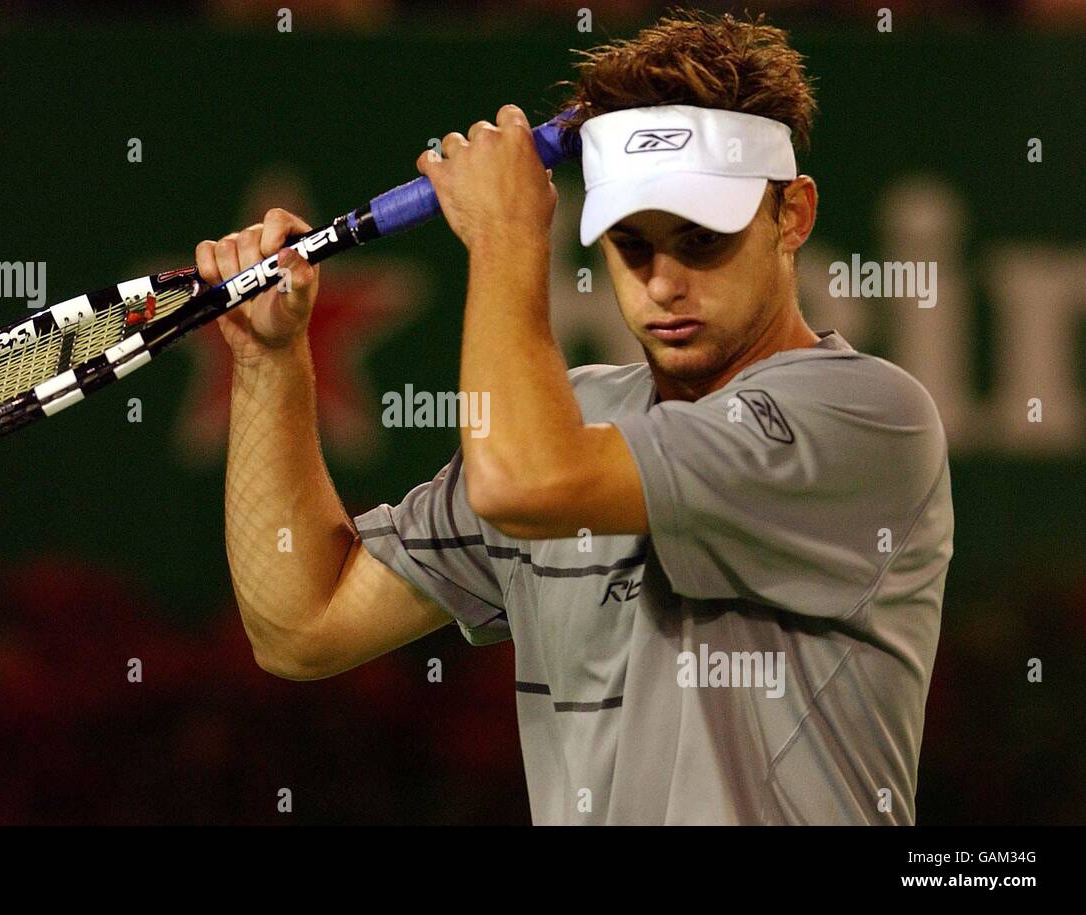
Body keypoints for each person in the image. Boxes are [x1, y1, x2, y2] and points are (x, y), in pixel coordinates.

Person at [198, 10, 953, 825]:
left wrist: (505, 236)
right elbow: (302, 626)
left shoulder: (869, 418)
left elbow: (527, 483)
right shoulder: (572, 418)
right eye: (632, 245)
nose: (663, 282)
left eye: (702, 241)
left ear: (793, 215)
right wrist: (268, 360)